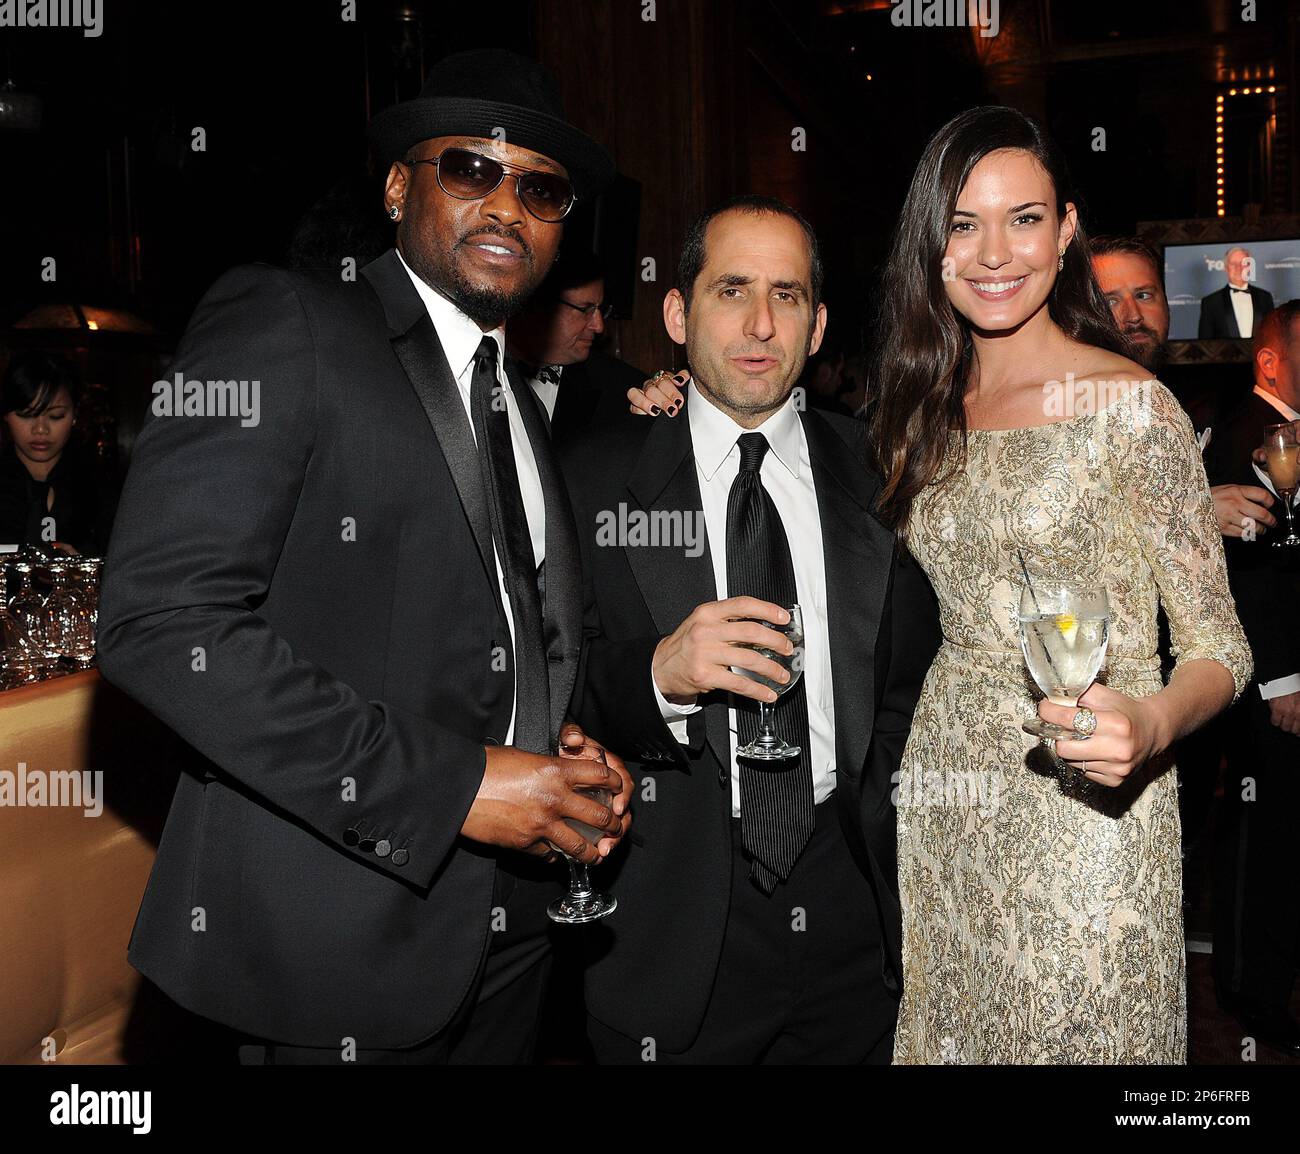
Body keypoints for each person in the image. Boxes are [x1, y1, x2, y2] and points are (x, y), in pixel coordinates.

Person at [95, 49, 632, 1065]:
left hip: (513, 945)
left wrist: (560, 746)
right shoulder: (289, 320)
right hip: (328, 951)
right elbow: (162, 624)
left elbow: (500, 635)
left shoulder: (519, 401)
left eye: (541, 189)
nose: (506, 205)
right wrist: (456, 785)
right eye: (470, 168)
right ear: (396, 187)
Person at [867, 106, 1251, 1063]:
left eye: (1025, 219)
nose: (995, 253)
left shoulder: (1131, 408)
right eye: (964, 224)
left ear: (1067, 228)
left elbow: (1220, 647)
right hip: (951, 794)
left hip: (1092, 801)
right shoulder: (920, 411)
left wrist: (1151, 726)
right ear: (932, 244)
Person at [563, 194, 940, 1063]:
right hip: (669, 910)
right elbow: (549, 681)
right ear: (676, 313)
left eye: (787, 295)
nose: (761, 323)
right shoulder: (589, 479)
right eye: (731, 290)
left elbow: (914, 686)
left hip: (853, 907)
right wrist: (658, 676)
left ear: (818, 328)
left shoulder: (886, 477)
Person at [1205, 301, 1300, 1057]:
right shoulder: (1254, 437)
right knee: (1261, 836)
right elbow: (1251, 576)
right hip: (1267, 683)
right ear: (1270, 361)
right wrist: (1283, 680)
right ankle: (1250, 992)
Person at [505, 247, 646, 444]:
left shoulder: (626, 388)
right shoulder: (478, 369)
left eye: (600, 309)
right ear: (535, 304)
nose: (599, 326)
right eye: (585, 309)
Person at [0, 350, 117, 556]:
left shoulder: (102, 489)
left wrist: (85, 567)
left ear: (75, 414)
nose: (40, 429)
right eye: (26, 415)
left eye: (56, 416)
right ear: (6, 415)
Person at [1199, 246, 1275, 339]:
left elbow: (1273, 336)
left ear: (1249, 267)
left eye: (1243, 263)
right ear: (1226, 268)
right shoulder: (1211, 302)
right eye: (1233, 264)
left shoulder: (1265, 298)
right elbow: (1205, 342)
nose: (1238, 268)